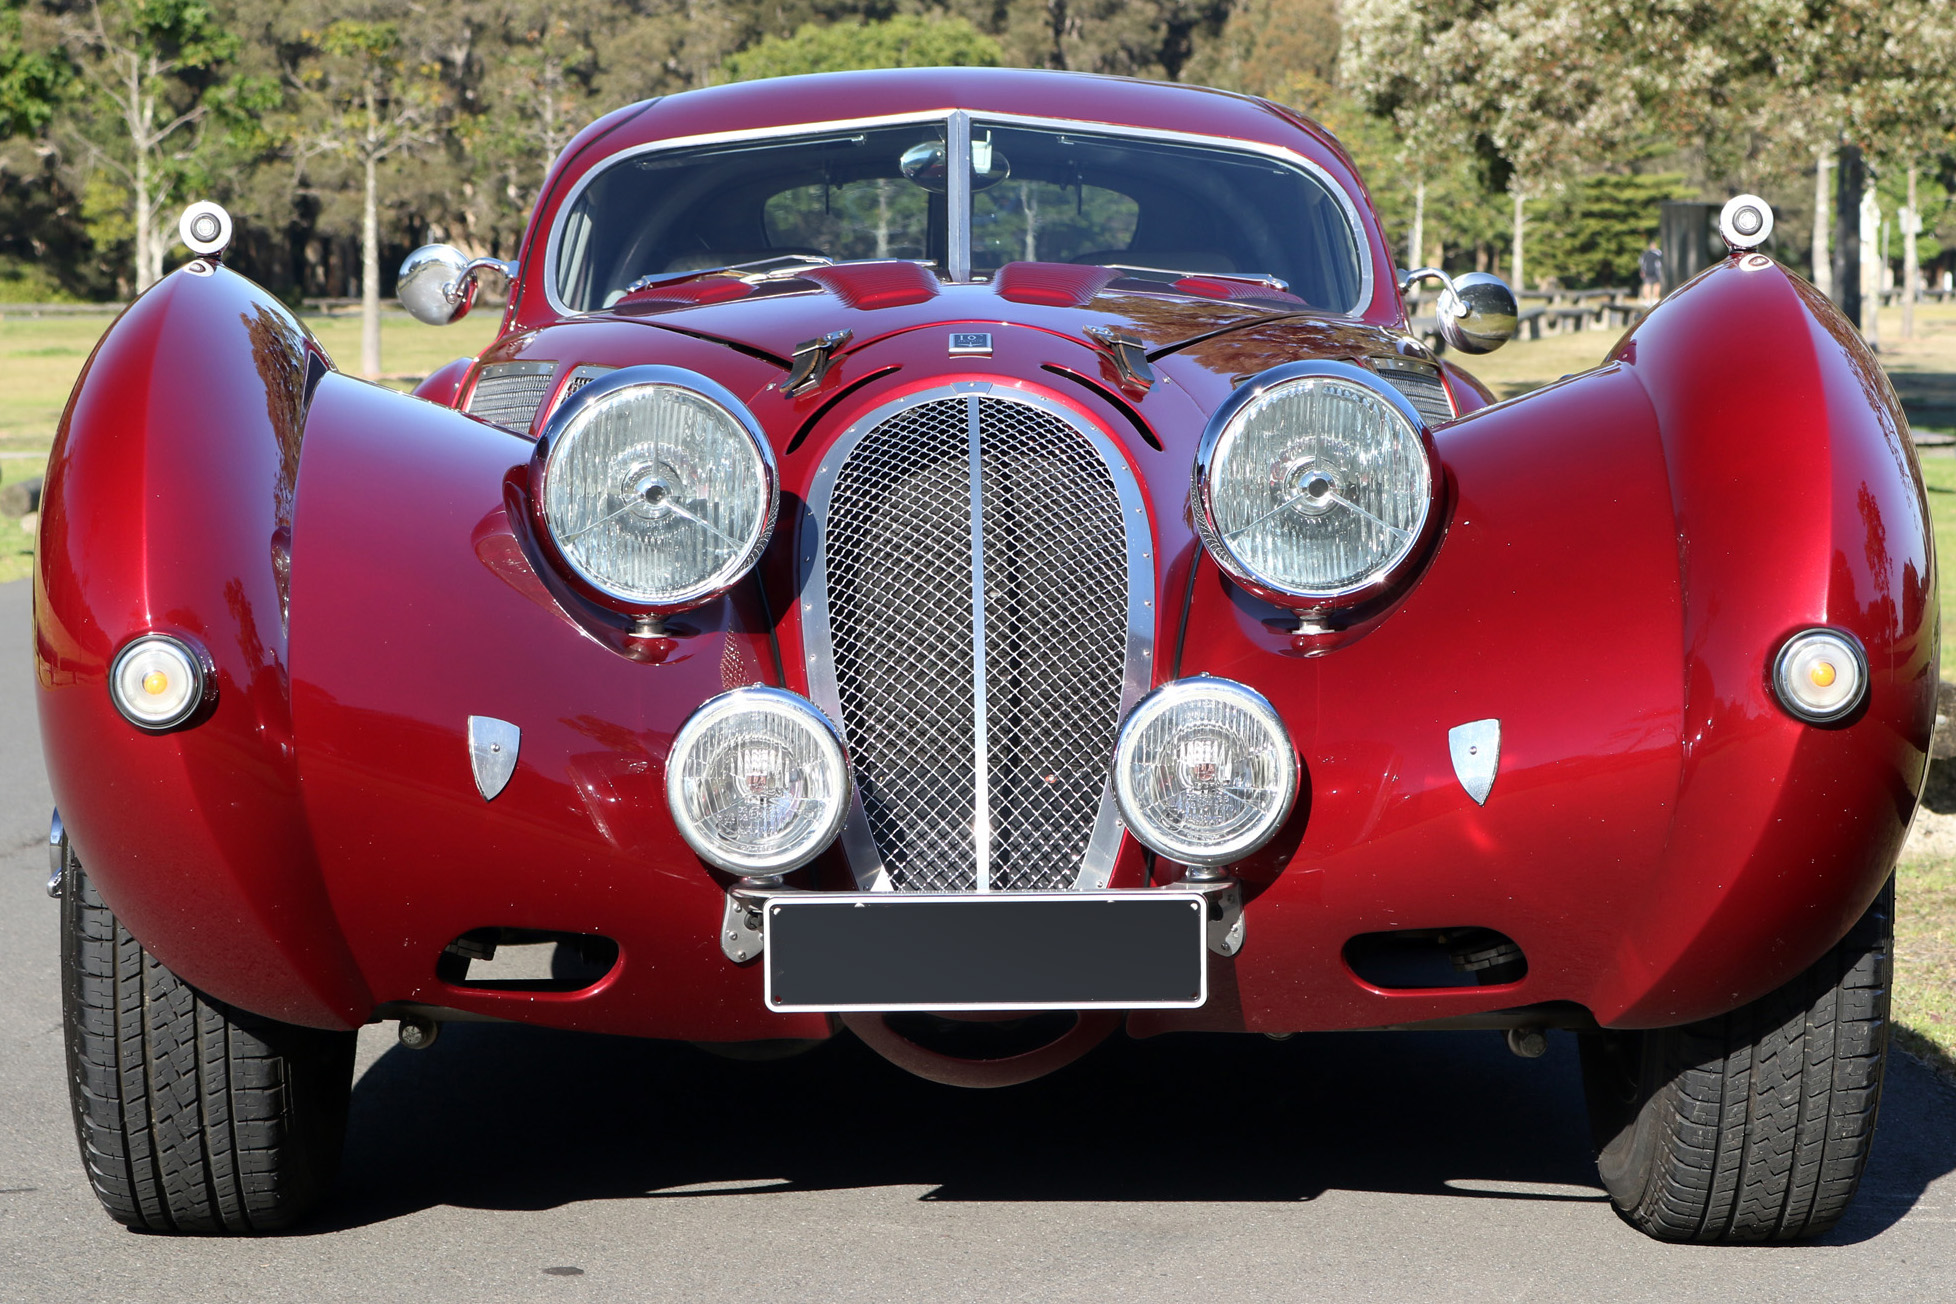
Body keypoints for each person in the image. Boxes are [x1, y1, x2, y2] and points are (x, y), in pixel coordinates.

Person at [1639, 239, 1662, 303]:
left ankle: (1655, 298)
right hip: (1647, 271)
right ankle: (1647, 299)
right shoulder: (1646, 253)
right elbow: (1642, 263)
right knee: (1647, 284)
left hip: (1655, 271)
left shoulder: (1658, 253)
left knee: (1656, 284)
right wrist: (1642, 271)